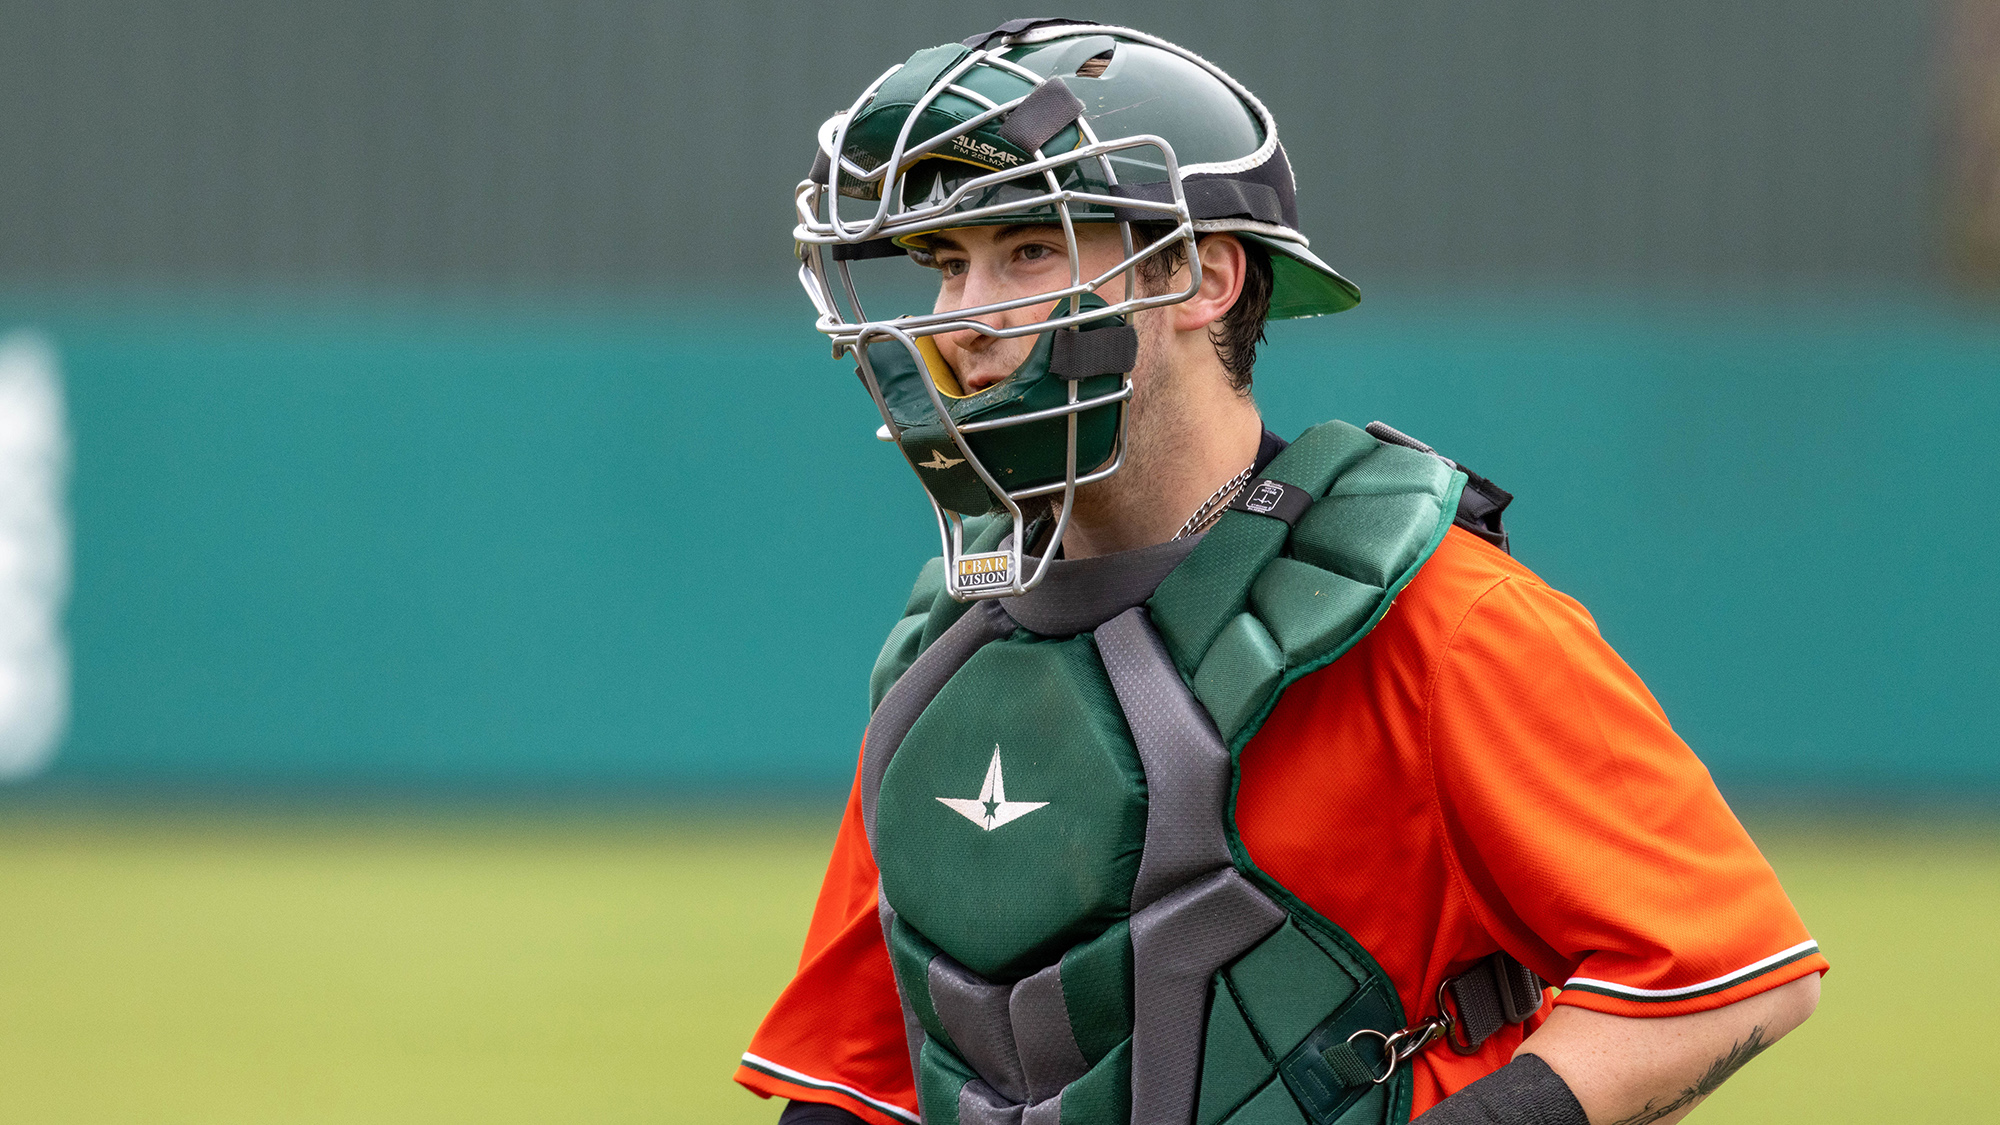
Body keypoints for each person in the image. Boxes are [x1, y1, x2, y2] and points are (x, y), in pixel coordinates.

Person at [738, 19, 1823, 1125]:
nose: (962, 321)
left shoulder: (1435, 619)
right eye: (944, 266)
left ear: (1203, 277)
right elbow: (853, 1079)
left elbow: (1718, 976)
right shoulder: (950, 655)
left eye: (1027, 251)